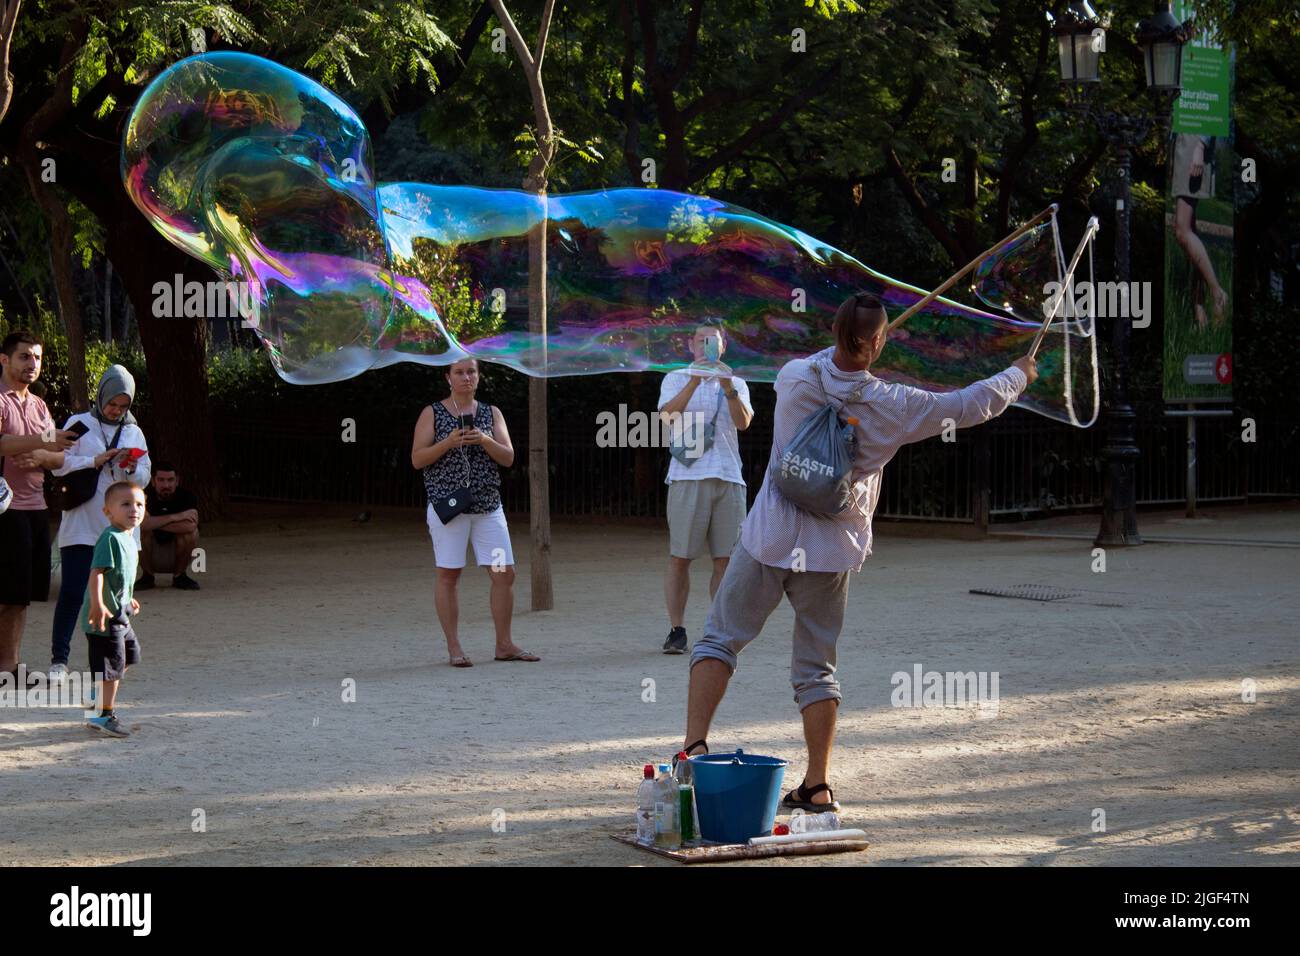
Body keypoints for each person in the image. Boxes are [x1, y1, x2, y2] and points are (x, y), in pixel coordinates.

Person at [679, 294, 1038, 812]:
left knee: (718, 641)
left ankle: (692, 749)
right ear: (879, 341)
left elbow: (830, 367)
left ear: (834, 330)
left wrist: (855, 347)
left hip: (769, 536)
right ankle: (817, 785)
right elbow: (967, 404)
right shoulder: (896, 405)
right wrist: (1017, 374)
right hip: (830, 549)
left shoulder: (794, 377)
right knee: (815, 667)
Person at [410, 358, 538, 667]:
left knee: (503, 573)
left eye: (471, 372)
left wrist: (484, 439)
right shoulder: (433, 412)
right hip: (449, 507)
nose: (466, 377)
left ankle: (504, 644)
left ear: (479, 377)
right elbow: (417, 459)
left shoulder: (491, 413)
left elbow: (508, 458)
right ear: (448, 377)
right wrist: (448, 442)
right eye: (459, 372)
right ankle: (454, 647)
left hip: (487, 507)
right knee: (449, 574)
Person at [47, 365, 150, 685]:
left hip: (120, 531)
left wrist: (130, 466)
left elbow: (144, 477)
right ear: (101, 395)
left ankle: (109, 661)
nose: (116, 410)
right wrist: (94, 461)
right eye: (111, 404)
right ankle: (59, 660)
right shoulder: (79, 424)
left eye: (123, 406)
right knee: (74, 592)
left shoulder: (133, 431)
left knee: (116, 596)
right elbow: (56, 466)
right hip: (82, 524)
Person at [657, 324, 754, 654]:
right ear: (690, 343)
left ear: (723, 346)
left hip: (729, 477)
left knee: (726, 561)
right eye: (700, 340)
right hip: (688, 476)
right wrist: (696, 379)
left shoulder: (736, 382)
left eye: (713, 341)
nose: (706, 345)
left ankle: (719, 628)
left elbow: (743, 422)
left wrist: (727, 386)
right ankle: (677, 629)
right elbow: (666, 418)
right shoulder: (675, 378)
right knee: (680, 557)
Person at [0, 331, 76, 683]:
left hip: (35, 507)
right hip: (5, 509)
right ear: (4, 360)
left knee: (21, 595)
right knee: (6, 593)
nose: (32, 364)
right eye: (24, 357)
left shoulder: (39, 405)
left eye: (37, 358)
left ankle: (9, 667)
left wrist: (43, 455)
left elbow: (59, 456)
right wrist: (43, 442)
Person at [80, 481, 146, 738]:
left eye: (140, 504)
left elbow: (121, 577)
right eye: (126, 504)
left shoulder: (129, 538)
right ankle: (102, 715)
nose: (134, 509)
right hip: (105, 618)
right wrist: (97, 605)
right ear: (108, 512)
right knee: (112, 666)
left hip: (121, 614)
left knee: (129, 657)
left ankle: (96, 697)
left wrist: (129, 599)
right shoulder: (109, 538)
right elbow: (96, 574)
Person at [1170, 132, 1227, 329]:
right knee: (1188, 230)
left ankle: (1217, 293)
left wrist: (1200, 146)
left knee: (1181, 229)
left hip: (1193, 143)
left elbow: (1212, 103)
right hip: (1184, 142)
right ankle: (1199, 313)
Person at [138, 461, 201, 591]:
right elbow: (140, 525)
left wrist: (153, 523)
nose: (166, 485)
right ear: (153, 481)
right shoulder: (142, 496)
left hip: (178, 551)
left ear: (177, 481)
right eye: (161, 480)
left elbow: (189, 526)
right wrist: (175, 517)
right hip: (150, 550)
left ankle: (179, 576)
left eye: (170, 480)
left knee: (192, 534)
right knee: (138, 532)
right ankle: (147, 576)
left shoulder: (187, 497)